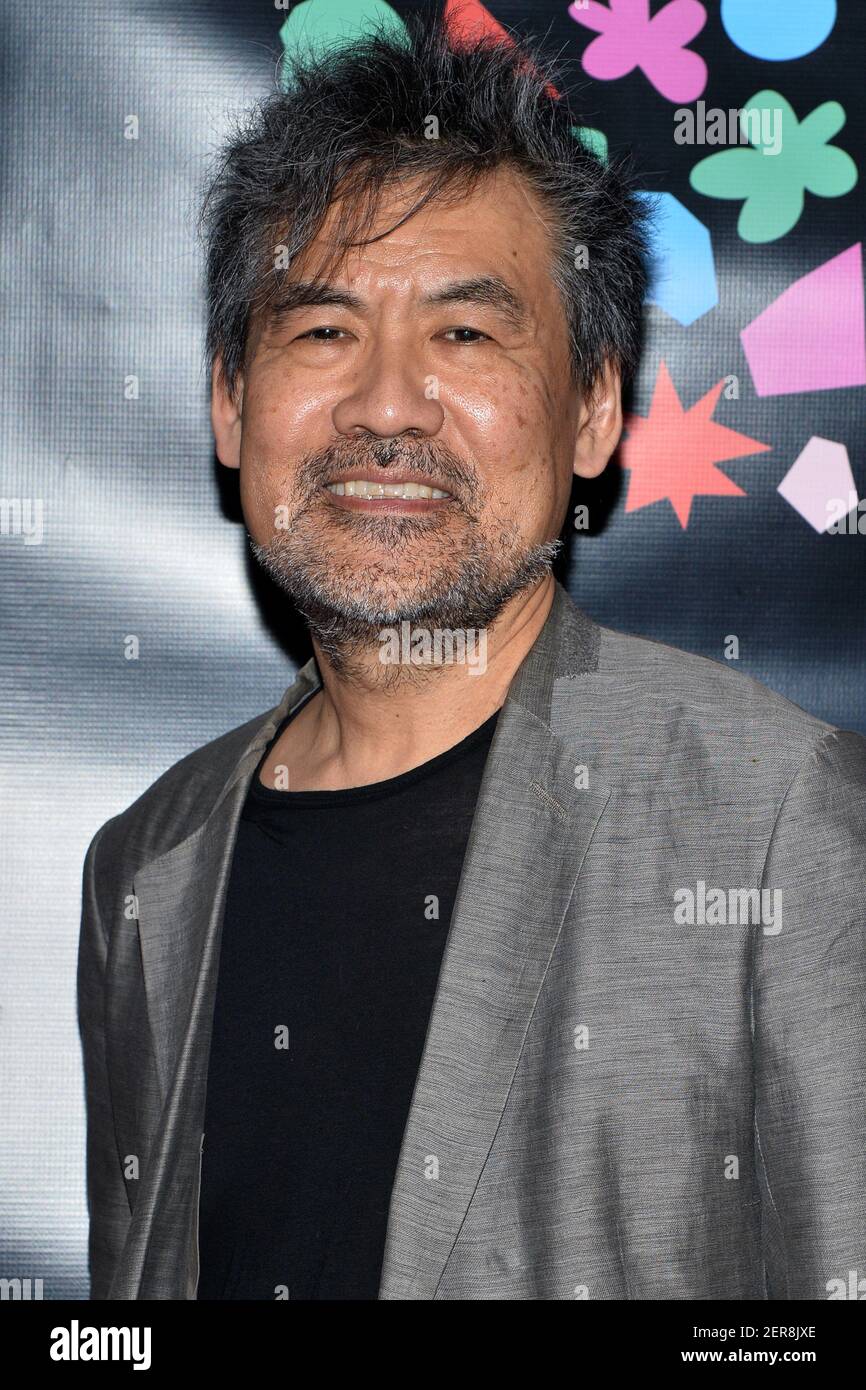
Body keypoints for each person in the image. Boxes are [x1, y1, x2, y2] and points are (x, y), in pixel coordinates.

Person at [78, 12, 866, 1300]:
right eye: (322, 330)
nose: (387, 405)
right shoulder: (145, 867)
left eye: (466, 333)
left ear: (596, 407)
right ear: (231, 399)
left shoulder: (786, 826)